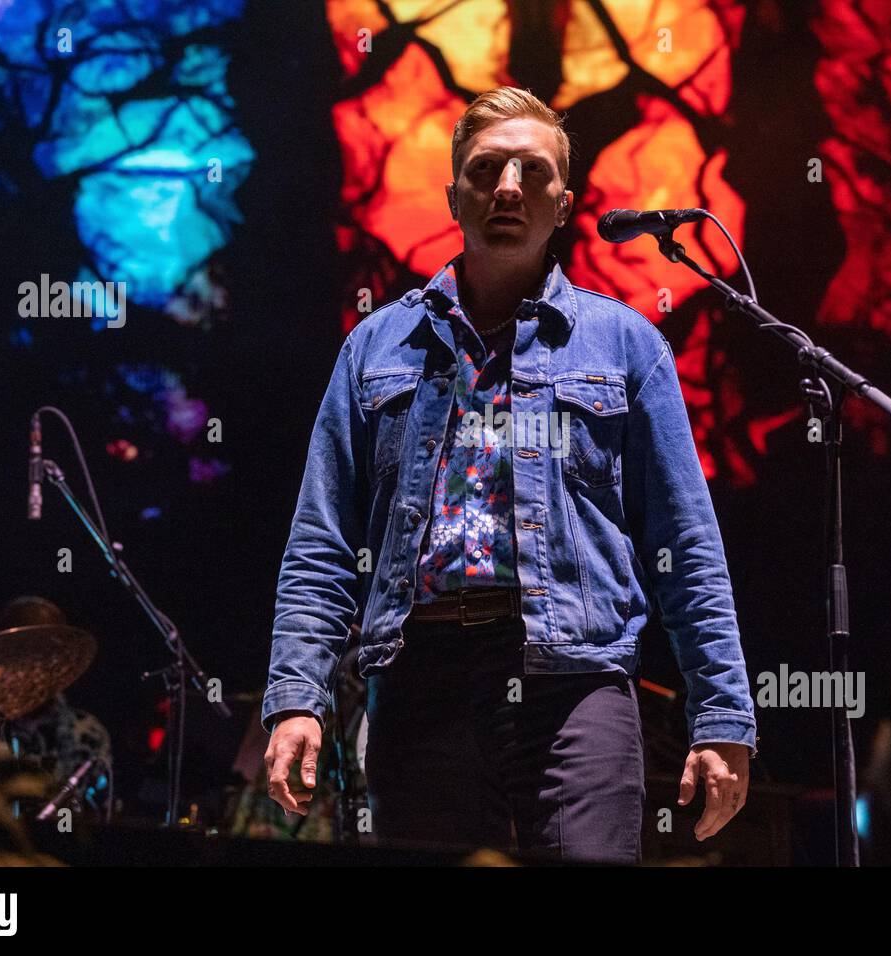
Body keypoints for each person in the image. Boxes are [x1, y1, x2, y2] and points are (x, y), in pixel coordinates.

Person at [263, 87, 756, 863]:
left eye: (533, 171)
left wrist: (722, 715)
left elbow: (686, 544)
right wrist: (298, 698)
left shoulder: (626, 348)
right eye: (487, 168)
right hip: (420, 681)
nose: (509, 187)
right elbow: (321, 543)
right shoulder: (376, 348)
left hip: (577, 685)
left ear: (564, 203)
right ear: (454, 192)